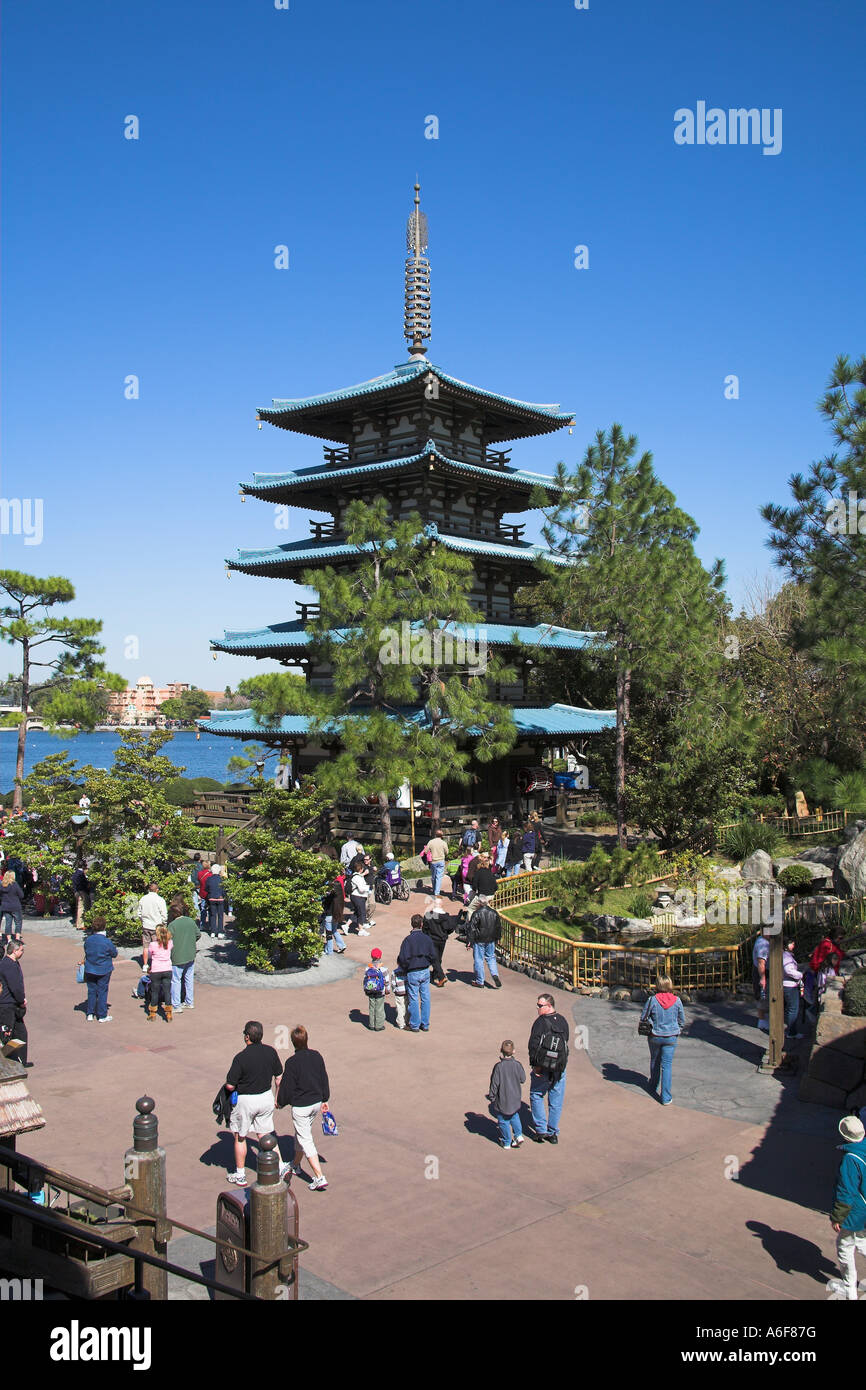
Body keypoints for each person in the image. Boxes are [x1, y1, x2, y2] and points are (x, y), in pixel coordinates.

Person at [224, 1020, 288, 1187]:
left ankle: (240, 1174)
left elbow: (230, 1084)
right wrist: (276, 1097)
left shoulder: (240, 1058)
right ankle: (280, 1166)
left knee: (240, 1136)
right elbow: (279, 1077)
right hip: (265, 1097)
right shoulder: (270, 1052)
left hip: (246, 1100)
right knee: (266, 1134)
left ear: (247, 1037)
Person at [276, 1024, 331, 1190]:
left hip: (301, 1107)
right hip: (316, 1103)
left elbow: (287, 1086)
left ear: (293, 1043)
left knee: (306, 1139)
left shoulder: (292, 1062)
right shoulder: (316, 1056)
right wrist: (325, 1098)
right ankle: (295, 1165)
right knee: (301, 1134)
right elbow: (324, 1078)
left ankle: (319, 1176)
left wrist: (280, 1101)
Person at [827, 1115, 866, 1300]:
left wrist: (838, 1217)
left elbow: (846, 1191)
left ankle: (850, 1290)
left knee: (845, 1247)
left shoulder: (850, 1159)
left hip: (854, 1212)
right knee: (862, 1242)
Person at [528, 993, 569, 1143]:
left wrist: (535, 1065)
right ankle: (553, 1133)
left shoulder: (540, 1022)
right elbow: (566, 1041)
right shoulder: (563, 1021)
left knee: (536, 1094)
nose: (537, 1008)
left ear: (549, 1005)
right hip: (559, 1067)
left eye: (540, 1006)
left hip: (543, 1066)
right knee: (556, 1099)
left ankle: (540, 1130)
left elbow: (533, 1045)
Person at [639, 973, 685, 1105]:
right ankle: (665, 1097)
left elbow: (643, 1018)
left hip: (655, 1035)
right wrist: (677, 1030)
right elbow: (682, 1020)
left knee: (655, 1061)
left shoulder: (652, 1000)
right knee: (667, 1066)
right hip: (671, 1037)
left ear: (658, 985)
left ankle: (652, 1085)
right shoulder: (677, 1001)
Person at [397, 914, 439, 1033]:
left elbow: (402, 958)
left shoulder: (408, 940)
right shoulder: (427, 939)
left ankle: (415, 1024)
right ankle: (425, 1024)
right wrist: (428, 963)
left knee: (413, 998)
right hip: (424, 970)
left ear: (412, 924)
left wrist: (406, 967)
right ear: (421, 924)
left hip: (413, 971)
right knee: (426, 998)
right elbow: (433, 955)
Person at [487, 1039, 526, 1148]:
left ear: (501, 1050)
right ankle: (518, 1135)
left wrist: (492, 1096)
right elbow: (523, 1079)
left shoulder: (499, 1067)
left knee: (503, 1120)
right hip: (515, 1099)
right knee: (514, 1116)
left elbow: (494, 1083)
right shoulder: (517, 1065)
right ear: (514, 1051)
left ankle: (506, 1141)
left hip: (502, 1100)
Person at [82, 915, 117, 1024]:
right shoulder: (106, 941)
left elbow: (86, 950)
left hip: (90, 968)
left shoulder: (88, 940)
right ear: (104, 927)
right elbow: (114, 953)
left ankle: (90, 1013)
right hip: (104, 969)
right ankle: (102, 1015)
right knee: (102, 991)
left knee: (92, 991)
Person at [169, 897, 200, 1014]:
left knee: (176, 980)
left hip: (177, 956)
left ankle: (176, 1005)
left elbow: (166, 940)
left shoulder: (172, 925)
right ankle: (189, 1001)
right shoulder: (190, 921)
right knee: (188, 978)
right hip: (190, 954)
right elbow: (198, 934)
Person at [0, 941, 28, 1062]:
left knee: (21, 1033)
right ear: (15, 951)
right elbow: (15, 986)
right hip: (8, 1005)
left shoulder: (11, 963)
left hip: (11, 1004)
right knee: (7, 1035)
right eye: (21, 950)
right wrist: (21, 1000)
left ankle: (20, 1060)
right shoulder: (8, 965)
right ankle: (7, 1061)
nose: (22, 952)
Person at [467, 897, 502, 988]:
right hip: (490, 939)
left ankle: (480, 981)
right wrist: (497, 938)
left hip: (479, 940)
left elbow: (472, 928)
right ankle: (495, 974)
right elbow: (498, 927)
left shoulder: (477, 913)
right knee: (491, 958)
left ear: (479, 903)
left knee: (479, 959)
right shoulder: (494, 913)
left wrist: (470, 941)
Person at [423, 899, 455, 986]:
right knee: (438, 958)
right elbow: (451, 928)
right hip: (442, 940)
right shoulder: (447, 917)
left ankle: (441, 976)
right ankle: (435, 975)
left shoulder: (429, 916)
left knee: (434, 959)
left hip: (431, 939)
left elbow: (425, 928)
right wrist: (445, 934)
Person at [146, 924, 174, 1022]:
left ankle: (152, 1013)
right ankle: (169, 1013)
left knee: (155, 992)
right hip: (167, 969)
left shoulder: (153, 944)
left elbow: (149, 955)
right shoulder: (170, 943)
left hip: (156, 970)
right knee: (167, 991)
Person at [137, 882, 167, 962]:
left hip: (146, 925)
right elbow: (164, 915)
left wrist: (143, 921)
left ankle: (145, 964)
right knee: (157, 946)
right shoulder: (160, 900)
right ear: (157, 890)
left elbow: (139, 913)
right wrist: (164, 924)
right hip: (157, 926)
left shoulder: (143, 899)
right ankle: (155, 963)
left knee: (145, 946)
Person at [782, 936, 804, 1042]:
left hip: (788, 984)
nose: (793, 945)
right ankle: (791, 1032)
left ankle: (791, 1030)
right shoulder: (786, 956)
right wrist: (800, 975)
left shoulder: (785, 955)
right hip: (789, 985)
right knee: (793, 1009)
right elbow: (788, 970)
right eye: (791, 943)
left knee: (790, 1009)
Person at [364, 947, 390, 1031]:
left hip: (370, 990)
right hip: (380, 991)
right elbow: (386, 980)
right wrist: (387, 989)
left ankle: (371, 1024)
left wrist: (365, 989)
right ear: (380, 957)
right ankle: (378, 1025)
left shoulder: (368, 968)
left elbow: (365, 979)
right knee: (379, 1008)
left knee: (372, 1007)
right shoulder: (383, 969)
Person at [322, 872, 347, 955]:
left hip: (329, 915)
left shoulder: (329, 897)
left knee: (329, 933)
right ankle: (342, 945)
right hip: (336, 915)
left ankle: (329, 951)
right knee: (334, 930)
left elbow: (324, 900)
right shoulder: (339, 896)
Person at [423, 826, 449, 899]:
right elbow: (447, 852)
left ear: (435, 835)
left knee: (434, 876)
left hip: (433, 861)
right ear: (441, 836)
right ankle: (436, 892)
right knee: (439, 877)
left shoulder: (431, 842)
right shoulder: (443, 842)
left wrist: (431, 851)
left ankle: (435, 889)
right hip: (441, 861)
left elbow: (425, 851)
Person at [752, 928, 770, 1033]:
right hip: (762, 971)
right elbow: (761, 962)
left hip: (766, 970)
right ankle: (762, 1019)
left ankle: (765, 1017)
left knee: (766, 995)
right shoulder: (762, 944)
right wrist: (762, 977)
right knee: (762, 994)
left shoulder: (765, 940)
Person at [0, 870, 24, 943]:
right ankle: (17, 939)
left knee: (8, 922)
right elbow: (21, 895)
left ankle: (9, 939)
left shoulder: (2, 885)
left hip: (5, 906)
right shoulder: (15, 884)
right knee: (18, 922)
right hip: (15, 906)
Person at [203, 863, 227, 939]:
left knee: (213, 915)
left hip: (212, 897)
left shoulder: (209, 879)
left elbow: (206, 888)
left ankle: (213, 931)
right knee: (220, 915)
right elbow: (224, 889)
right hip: (220, 898)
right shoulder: (222, 879)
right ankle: (220, 932)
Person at [349, 860, 371, 936]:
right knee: (361, 913)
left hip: (357, 896)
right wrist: (368, 888)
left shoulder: (357, 876)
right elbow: (361, 889)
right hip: (358, 896)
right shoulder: (357, 877)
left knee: (358, 912)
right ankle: (360, 929)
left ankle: (348, 925)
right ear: (361, 869)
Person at [71, 860, 92, 930]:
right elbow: (85, 884)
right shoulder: (81, 874)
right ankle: (81, 924)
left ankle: (79, 923)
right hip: (82, 892)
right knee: (83, 907)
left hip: (77, 891)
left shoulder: (75, 873)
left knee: (80, 907)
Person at [392, 961, 408, 1030]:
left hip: (398, 992)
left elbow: (393, 983)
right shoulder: (407, 971)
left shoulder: (394, 972)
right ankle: (406, 1021)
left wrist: (394, 990)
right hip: (406, 991)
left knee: (399, 1007)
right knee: (406, 1006)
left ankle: (401, 1024)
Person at [196, 861, 212, 929]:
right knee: (211, 909)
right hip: (209, 893)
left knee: (203, 909)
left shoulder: (199, 873)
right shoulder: (210, 874)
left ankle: (202, 924)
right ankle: (211, 925)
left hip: (202, 892)